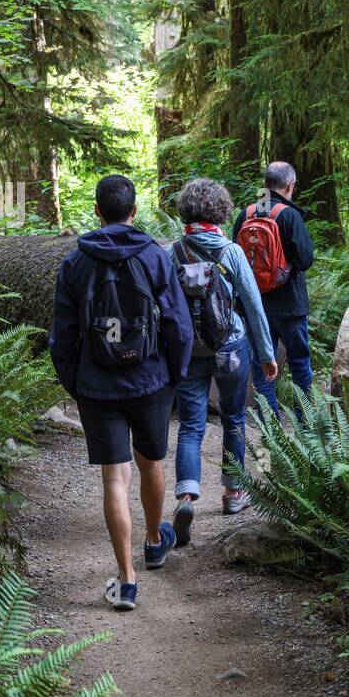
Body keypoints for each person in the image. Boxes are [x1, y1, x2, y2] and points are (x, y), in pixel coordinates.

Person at [49, 175, 193, 612]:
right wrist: (174, 375)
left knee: (115, 477)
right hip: (150, 380)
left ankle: (126, 581)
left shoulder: (75, 263)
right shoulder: (155, 256)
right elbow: (178, 325)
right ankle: (153, 542)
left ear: (97, 212)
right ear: (134, 212)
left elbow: (61, 336)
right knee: (151, 463)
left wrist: (77, 384)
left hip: (98, 385)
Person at [169, 178, 278, 534]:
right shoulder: (231, 252)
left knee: (190, 426)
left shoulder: (173, 253)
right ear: (221, 210)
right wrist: (266, 354)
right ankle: (232, 494)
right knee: (232, 420)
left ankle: (186, 497)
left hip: (189, 351)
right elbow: (253, 306)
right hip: (230, 348)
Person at [233, 161, 314, 419]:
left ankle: (271, 426)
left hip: (255, 305)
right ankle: (306, 425)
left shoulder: (245, 214)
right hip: (290, 304)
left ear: (265, 184)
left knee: (261, 366)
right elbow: (305, 260)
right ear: (290, 186)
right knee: (300, 363)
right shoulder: (289, 215)